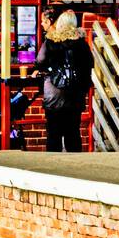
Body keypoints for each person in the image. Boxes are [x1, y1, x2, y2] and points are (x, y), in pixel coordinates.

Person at [30, 9, 93, 152]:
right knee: (73, 133)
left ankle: (53, 168)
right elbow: (89, 64)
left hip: (54, 94)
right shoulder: (82, 44)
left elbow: (40, 61)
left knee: (54, 134)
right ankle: (76, 168)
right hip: (75, 95)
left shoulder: (51, 42)